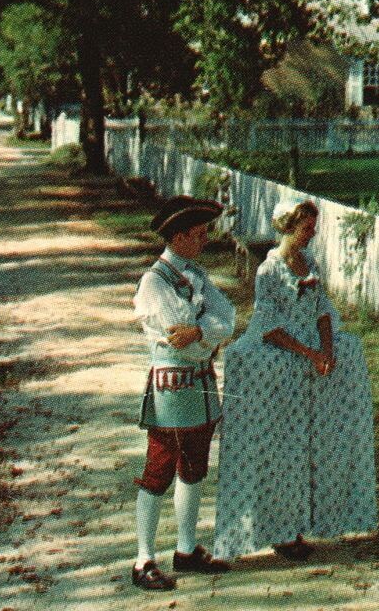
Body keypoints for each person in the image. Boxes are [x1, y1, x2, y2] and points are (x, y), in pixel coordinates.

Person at [212, 197, 378, 562]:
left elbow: (321, 310)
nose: (313, 233)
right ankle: (279, 529)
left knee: (311, 441)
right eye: (307, 227)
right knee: (280, 447)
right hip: (279, 354)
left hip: (310, 349)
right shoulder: (268, 271)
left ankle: (311, 520)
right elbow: (269, 327)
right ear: (289, 227)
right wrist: (309, 353)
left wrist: (328, 349)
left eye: (314, 227)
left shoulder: (310, 263)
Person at [130, 195, 236, 591]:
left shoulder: (198, 275)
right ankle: (143, 559)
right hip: (172, 385)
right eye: (199, 234)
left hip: (201, 383)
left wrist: (203, 331)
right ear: (177, 236)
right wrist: (203, 333)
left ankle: (186, 549)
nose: (205, 240)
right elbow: (178, 336)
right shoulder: (155, 281)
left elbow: (227, 317)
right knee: (159, 468)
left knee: (194, 466)